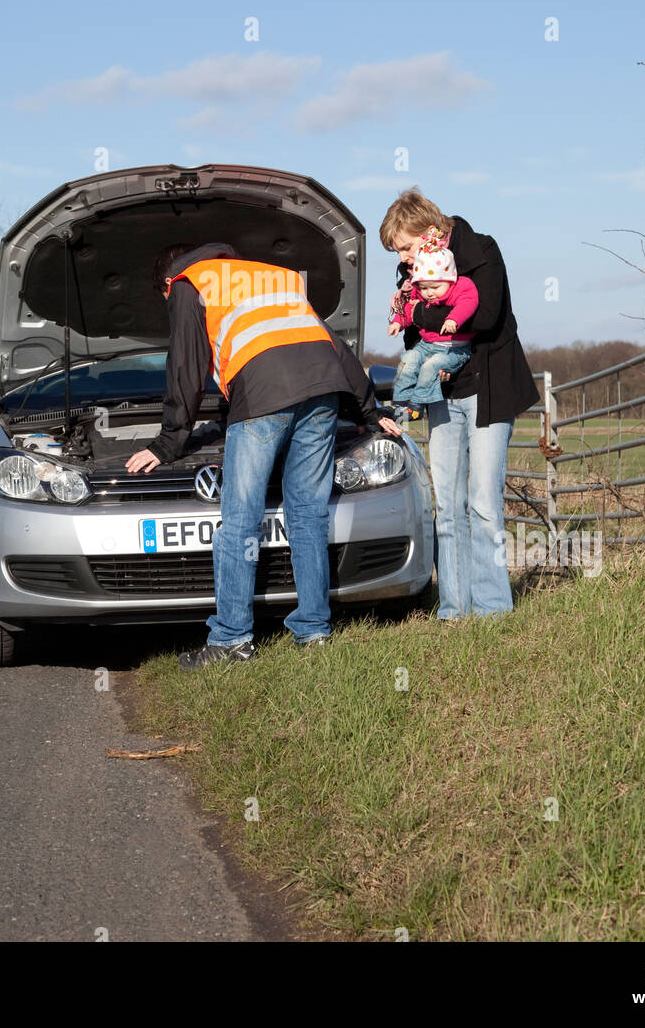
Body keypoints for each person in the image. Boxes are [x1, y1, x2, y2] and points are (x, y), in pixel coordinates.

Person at [125, 241, 402, 669]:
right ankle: (313, 632)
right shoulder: (271, 275)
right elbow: (332, 345)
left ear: (166, 282)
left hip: (263, 395)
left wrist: (168, 443)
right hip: (322, 392)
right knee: (308, 514)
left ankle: (232, 640)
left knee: (240, 520)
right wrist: (369, 410)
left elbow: (186, 366)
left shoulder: (188, 282)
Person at [380, 191, 538, 620]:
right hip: (442, 396)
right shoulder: (411, 274)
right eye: (400, 254)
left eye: (408, 248)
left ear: (430, 232)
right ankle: (453, 609)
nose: (407, 261)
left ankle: (492, 611)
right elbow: (412, 333)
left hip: (489, 391)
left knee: (484, 504)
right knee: (447, 506)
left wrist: (420, 317)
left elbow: (485, 317)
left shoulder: (481, 250)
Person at [388, 228, 478, 410]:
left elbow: (469, 302)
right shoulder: (421, 290)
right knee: (408, 359)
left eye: (434, 287)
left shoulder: (461, 287)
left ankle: (418, 403)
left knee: (431, 367)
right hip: (426, 344)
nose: (428, 293)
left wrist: (454, 319)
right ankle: (401, 399)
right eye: (423, 288)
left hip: (454, 349)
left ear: (449, 279)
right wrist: (398, 321)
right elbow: (409, 306)